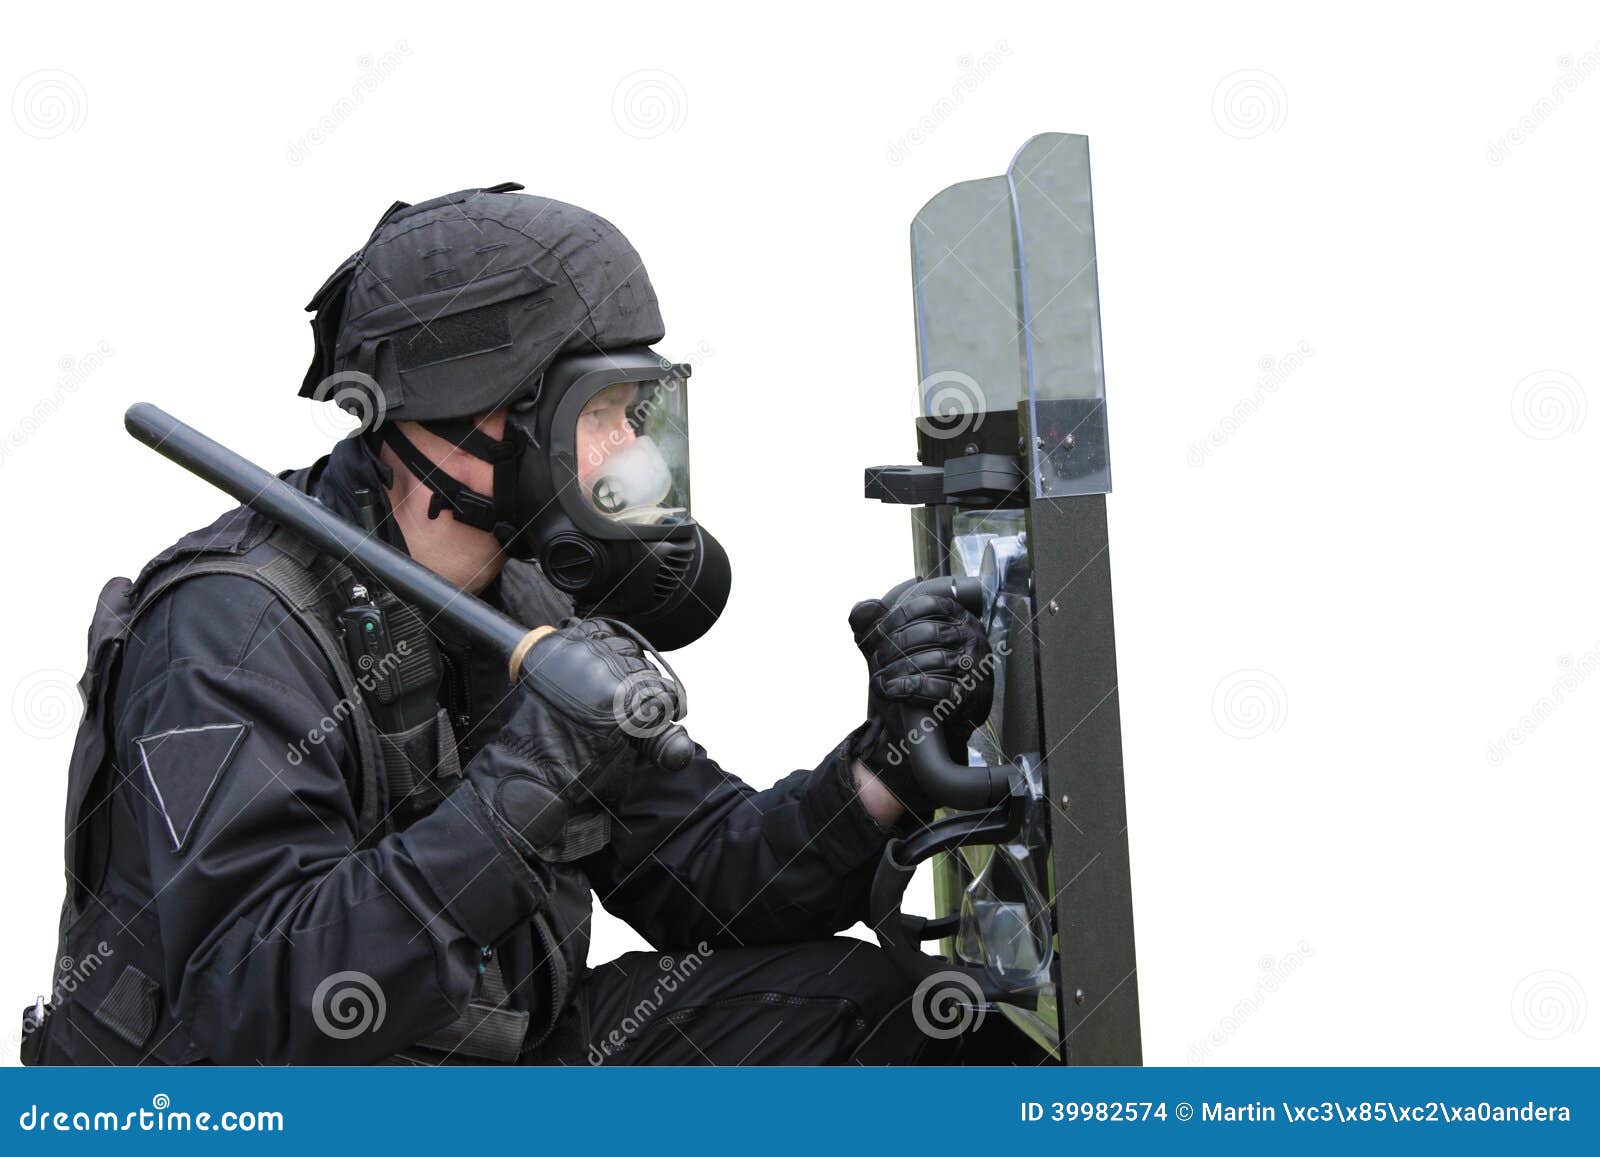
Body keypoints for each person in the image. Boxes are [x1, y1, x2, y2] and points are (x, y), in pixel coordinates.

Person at [25, 184, 992, 1066]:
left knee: (878, 1013)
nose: (629, 453)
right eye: (602, 413)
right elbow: (259, 1008)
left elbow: (712, 877)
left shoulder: (521, 595)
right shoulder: (232, 632)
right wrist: (523, 788)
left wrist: (891, 760)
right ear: (471, 414)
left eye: (636, 410)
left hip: (478, 1067)